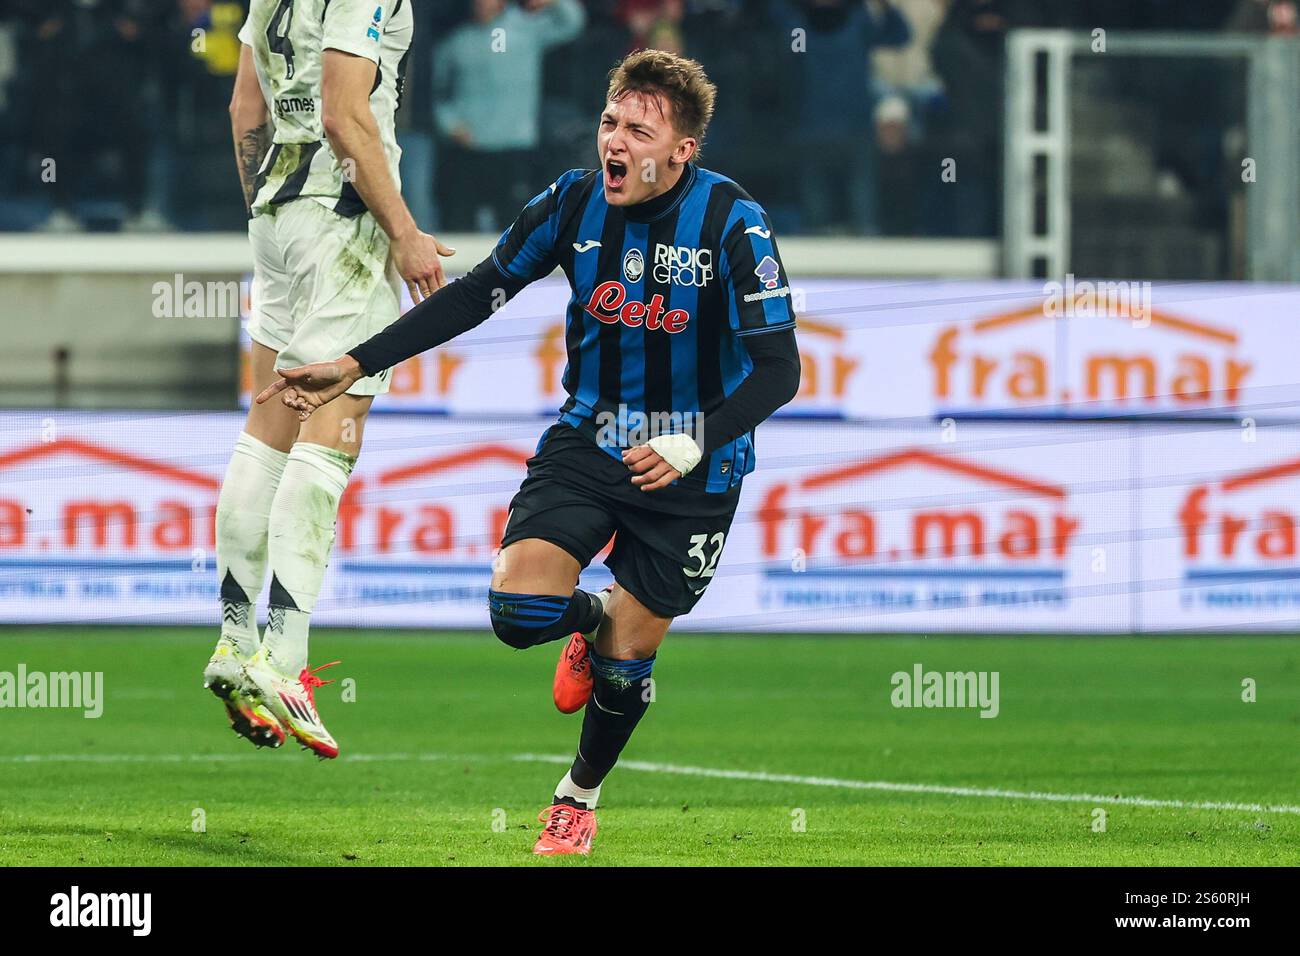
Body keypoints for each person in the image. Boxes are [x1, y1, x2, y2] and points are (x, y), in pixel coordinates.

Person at [257, 49, 802, 854]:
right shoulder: (575, 202)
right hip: (590, 441)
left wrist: (697, 440)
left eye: (638, 130)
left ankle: (577, 796)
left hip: (698, 467)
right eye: (610, 121)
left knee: (626, 671)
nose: (614, 141)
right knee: (518, 614)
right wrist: (354, 361)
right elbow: (480, 291)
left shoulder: (732, 223)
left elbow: (780, 369)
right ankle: (590, 619)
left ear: (683, 150)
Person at [205, 0, 454, 758]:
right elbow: (346, 116)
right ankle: (283, 659)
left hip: (276, 212)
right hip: (339, 216)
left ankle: (234, 640)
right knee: (332, 426)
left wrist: (268, 213)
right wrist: (404, 233)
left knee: (268, 420)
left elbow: (245, 105)